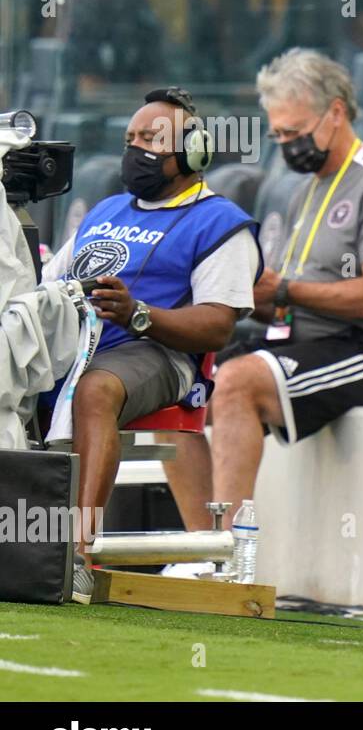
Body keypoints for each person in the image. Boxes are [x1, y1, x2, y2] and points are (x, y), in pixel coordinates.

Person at [159, 50, 363, 539]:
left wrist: (282, 288)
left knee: (237, 381)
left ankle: (229, 552)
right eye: (277, 136)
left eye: (294, 131)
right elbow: (286, 299)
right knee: (173, 389)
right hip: (303, 342)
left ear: (336, 112)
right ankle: (202, 548)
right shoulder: (306, 190)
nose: (286, 145)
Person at [40, 88, 262, 597]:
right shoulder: (105, 210)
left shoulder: (222, 224)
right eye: (130, 139)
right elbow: (49, 282)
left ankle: (76, 553)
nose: (135, 149)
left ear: (192, 151)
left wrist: (138, 314)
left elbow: (217, 325)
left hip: (160, 353)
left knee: (97, 388)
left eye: (150, 138)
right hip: (79, 343)